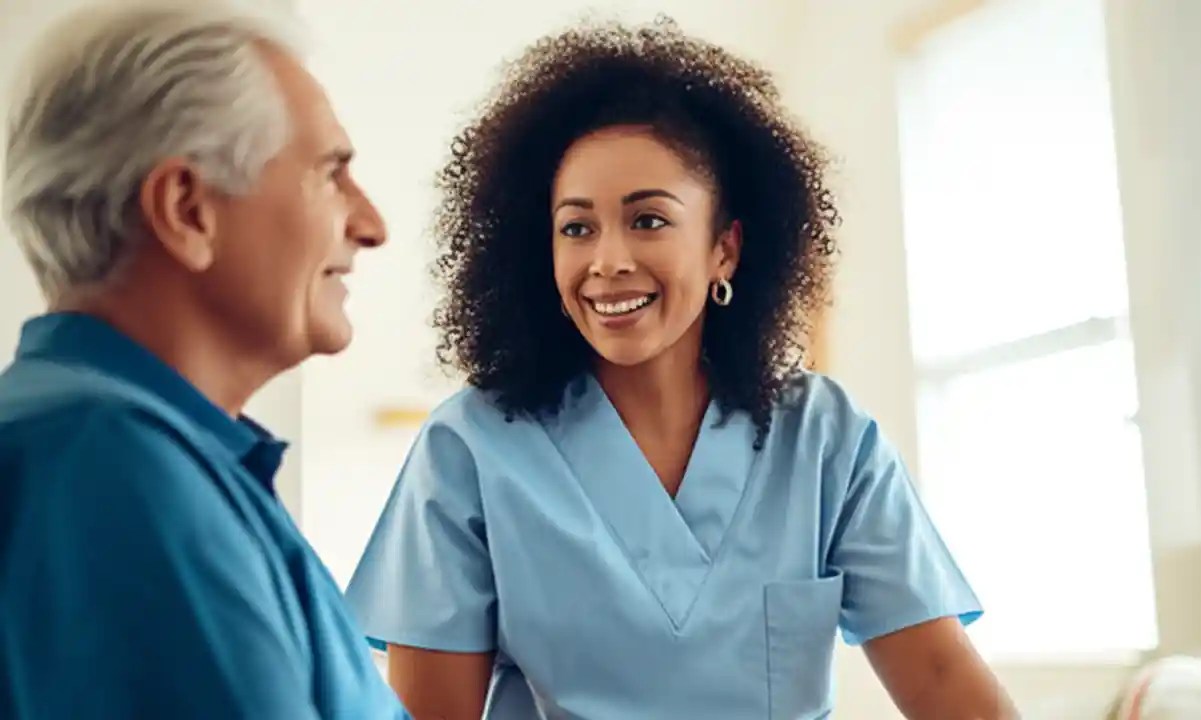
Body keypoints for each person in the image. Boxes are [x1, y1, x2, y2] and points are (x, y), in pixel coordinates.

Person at [347, 17, 1018, 720]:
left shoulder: (827, 441)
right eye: (577, 227)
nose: (607, 261)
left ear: (724, 249)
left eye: (649, 220)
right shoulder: (470, 449)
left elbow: (944, 682)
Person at [0, 2, 406, 718]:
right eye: (331, 173)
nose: (371, 225)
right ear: (188, 210)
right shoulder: (111, 464)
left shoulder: (149, 456)